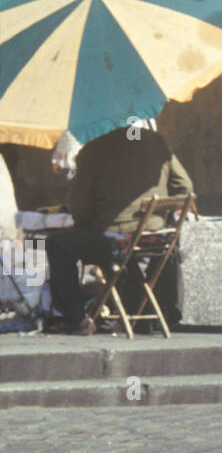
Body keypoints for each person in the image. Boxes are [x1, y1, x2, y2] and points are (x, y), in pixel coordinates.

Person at [44, 121, 193, 334]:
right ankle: (154, 312)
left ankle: (74, 317)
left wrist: (88, 219)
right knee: (125, 248)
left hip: (114, 239)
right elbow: (185, 186)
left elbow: (78, 206)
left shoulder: (94, 149)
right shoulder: (156, 142)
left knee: (57, 243)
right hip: (155, 237)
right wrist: (163, 215)